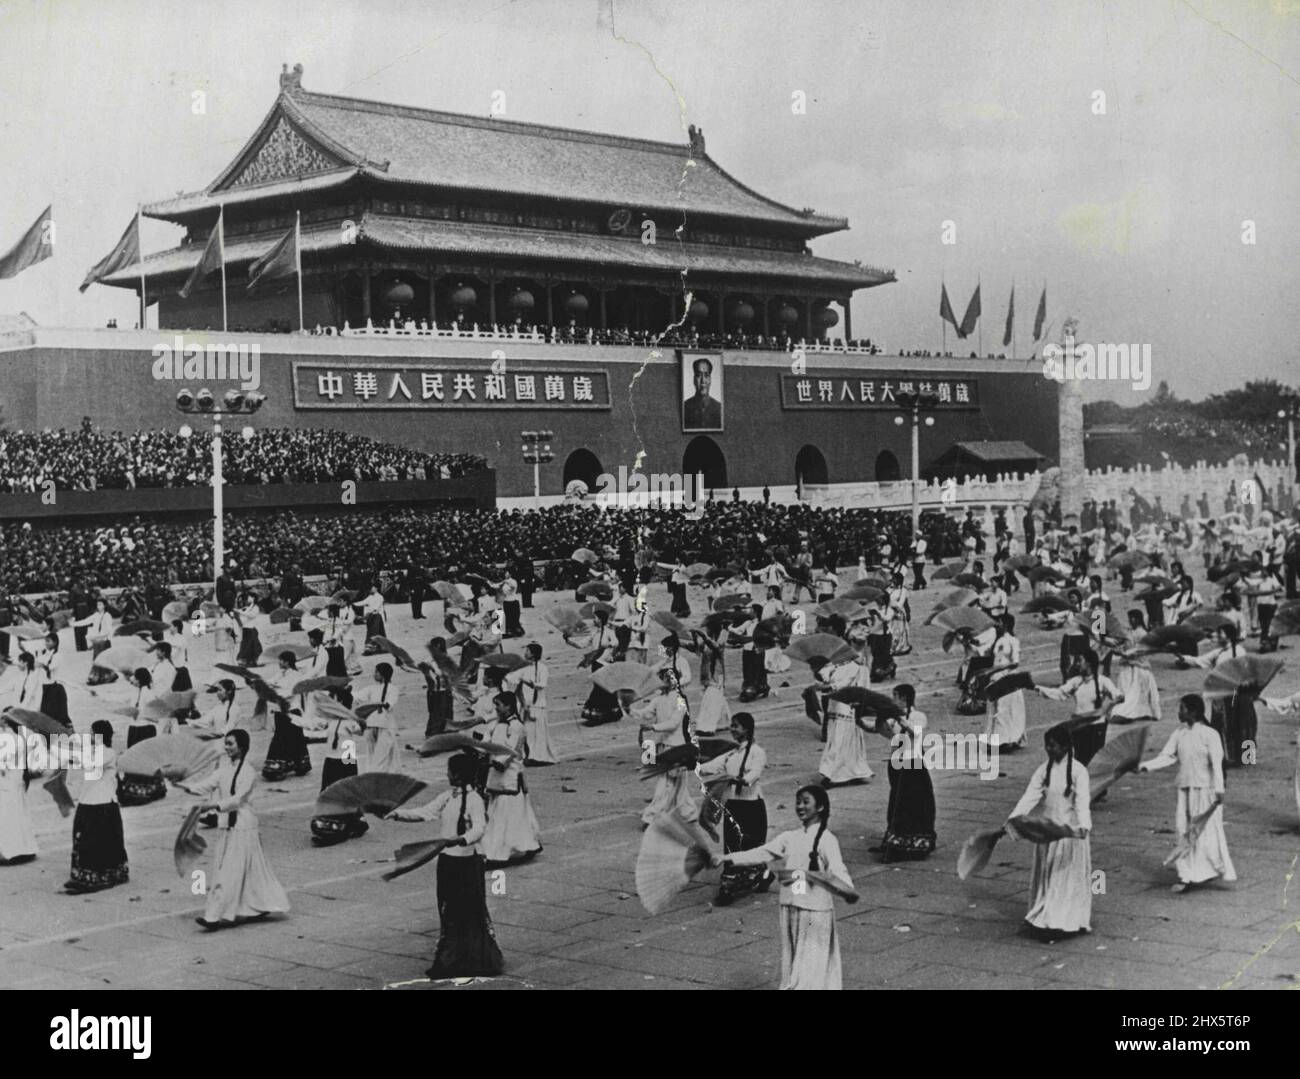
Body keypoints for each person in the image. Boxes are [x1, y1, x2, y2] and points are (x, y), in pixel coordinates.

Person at [719, 785, 854, 990]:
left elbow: (838, 871)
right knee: (795, 961)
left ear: (820, 807)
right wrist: (727, 858)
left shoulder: (827, 840)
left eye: (805, 802)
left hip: (815, 912)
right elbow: (761, 853)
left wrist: (845, 888)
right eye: (798, 802)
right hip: (792, 906)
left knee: (809, 965)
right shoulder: (789, 837)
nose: (800, 806)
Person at [386, 754, 504, 978]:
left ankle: (469, 959)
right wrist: (397, 813)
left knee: (469, 911)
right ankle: (452, 958)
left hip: (468, 862)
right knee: (449, 910)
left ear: (458, 774)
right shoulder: (448, 797)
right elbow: (426, 812)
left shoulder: (475, 800)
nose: (447, 774)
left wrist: (460, 839)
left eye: (449, 771)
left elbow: (479, 828)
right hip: (448, 861)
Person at [178, 729, 291, 930]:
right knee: (247, 870)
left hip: (242, 826)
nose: (227, 747)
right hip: (228, 826)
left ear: (242, 747)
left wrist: (212, 806)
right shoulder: (224, 768)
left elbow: (237, 800)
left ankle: (213, 917)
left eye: (230, 744)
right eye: (226, 743)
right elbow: (207, 785)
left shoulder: (248, 772)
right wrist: (184, 785)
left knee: (228, 872)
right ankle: (259, 904)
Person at [1138, 695, 1235, 893]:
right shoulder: (1179, 733)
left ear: (1193, 711)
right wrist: (1143, 767)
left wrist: (1219, 790)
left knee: (1205, 832)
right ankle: (1187, 874)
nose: (1179, 712)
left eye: (1182, 709)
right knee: (1182, 829)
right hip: (1185, 789)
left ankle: (1205, 870)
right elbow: (1167, 756)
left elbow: (1217, 763)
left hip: (1206, 791)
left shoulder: (1210, 734)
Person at [1006, 724, 1092, 938]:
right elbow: (1030, 795)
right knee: (1047, 875)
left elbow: (1083, 802)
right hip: (1047, 830)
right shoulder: (1044, 769)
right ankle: (1044, 915)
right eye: (1047, 745)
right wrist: (1014, 819)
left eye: (1053, 746)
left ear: (1065, 746)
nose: (1049, 750)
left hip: (1068, 832)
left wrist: (1083, 826)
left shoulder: (1079, 771)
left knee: (1062, 877)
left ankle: (1062, 920)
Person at [698, 712, 773, 904]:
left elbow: (755, 773)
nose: (732, 729)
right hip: (734, 806)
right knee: (732, 845)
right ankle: (730, 885)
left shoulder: (757, 752)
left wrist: (741, 779)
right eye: (731, 725)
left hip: (752, 806)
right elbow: (712, 767)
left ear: (747, 729)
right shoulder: (731, 754)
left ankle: (758, 875)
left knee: (750, 846)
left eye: (736, 726)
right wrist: (691, 764)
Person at [62, 720, 129, 893]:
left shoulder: (108, 753)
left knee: (95, 841)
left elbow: (90, 764)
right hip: (88, 800)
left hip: (103, 802)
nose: (90, 735)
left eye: (92, 733)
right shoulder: (93, 751)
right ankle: (82, 877)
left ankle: (96, 878)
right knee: (83, 839)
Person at [479, 693, 542, 866]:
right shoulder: (495, 724)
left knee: (505, 817)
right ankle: (528, 844)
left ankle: (498, 855)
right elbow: (486, 743)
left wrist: (497, 763)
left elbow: (511, 751)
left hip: (510, 777)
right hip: (495, 776)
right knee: (504, 816)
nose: (496, 709)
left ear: (508, 706)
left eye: (498, 705)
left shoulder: (516, 726)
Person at [877, 683, 936, 861]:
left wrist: (899, 717)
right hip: (896, 764)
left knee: (916, 803)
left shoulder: (918, 716)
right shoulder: (893, 719)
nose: (893, 699)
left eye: (895, 696)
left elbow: (915, 732)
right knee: (897, 802)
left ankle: (915, 842)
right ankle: (896, 842)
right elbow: (885, 732)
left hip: (913, 765)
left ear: (904, 698)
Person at [1037, 650, 1122, 766]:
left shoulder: (1103, 681)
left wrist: (1108, 706)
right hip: (1079, 726)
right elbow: (1059, 693)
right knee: (1080, 760)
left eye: (1080, 661)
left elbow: (1118, 695)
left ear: (1089, 664)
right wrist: (1036, 688)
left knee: (1092, 761)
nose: (1077, 664)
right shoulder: (1076, 682)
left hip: (1096, 727)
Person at [1191, 624, 1256, 767]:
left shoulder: (1239, 651)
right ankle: (1229, 757)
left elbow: (1246, 672)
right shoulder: (1219, 652)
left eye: (1221, 633)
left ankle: (1247, 756)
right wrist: (1183, 658)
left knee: (1244, 724)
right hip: (1224, 694)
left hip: (1238, 693)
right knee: (1226, 725)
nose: (1218, 636)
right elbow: (1199, 660)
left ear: (1229, 635)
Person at [818, 658, 874, 786]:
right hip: (834, 704)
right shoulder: (833, 665)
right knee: (836, 737)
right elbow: (823, 675)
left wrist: (828, 686)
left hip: (846, 704)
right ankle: (848, 771)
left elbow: (843, 684)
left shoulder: (854, 667)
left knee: (841, 739)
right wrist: (823, 675)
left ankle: (830, 772)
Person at [262, 652, 312, 781]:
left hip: (292, 711)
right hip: (281, 711)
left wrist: (274, 693)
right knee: (292, 738)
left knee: (283, 738)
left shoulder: (296, 676)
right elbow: (269, 682)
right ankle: (297, 764)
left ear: (287, 662)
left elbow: (289, 693)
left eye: (281, 661)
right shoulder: (281, 674)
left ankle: (280, 766)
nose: (279, 663)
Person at [504, 642, 556, 765]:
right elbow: (511, 679)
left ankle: (539, 757)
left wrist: (527, 682)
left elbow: (542, 685)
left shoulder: (543, 668)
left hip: (538, 704)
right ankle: (530, 755)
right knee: (528, 732)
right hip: (525, 705)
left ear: (533, 654)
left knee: (538, 733)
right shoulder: (522, 667)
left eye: (527, 651)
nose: (525, 653)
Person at [982, 613, 1027, 750]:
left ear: (1006, 625)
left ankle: (1005, 740)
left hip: (1007, 678)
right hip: (996, 677)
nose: (997, 625)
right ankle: (998, 738)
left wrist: (994, 670)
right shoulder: (998, 640)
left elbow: (1015, 663)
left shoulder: (1013, 641)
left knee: (1004, 710)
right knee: (995, 709)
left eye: (1000, 623)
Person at [0, 715, 38, 865]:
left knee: (8, 815)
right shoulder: (19, 738)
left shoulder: (6, 738)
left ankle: (12, 850)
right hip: (18, 779)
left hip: (7, 780)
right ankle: (26, 847)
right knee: (20, 813)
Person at [357, 662, 401, 773]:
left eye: (377, 672)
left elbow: (390, 703)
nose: (374, 674)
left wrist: (379, 705)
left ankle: (379, 776)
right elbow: (357, 696)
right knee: (376, 754)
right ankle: (377, 775)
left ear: (383, 674)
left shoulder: (392, 689)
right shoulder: (371, 688)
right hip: (373, 724)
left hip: (384, 725)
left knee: (382, 755)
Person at [683, 356, 723, 430]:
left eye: (706, 375)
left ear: (710, 380)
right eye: (698, 375)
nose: (703, 381)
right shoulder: (684, 408)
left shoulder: (719, 409)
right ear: (694, 379)